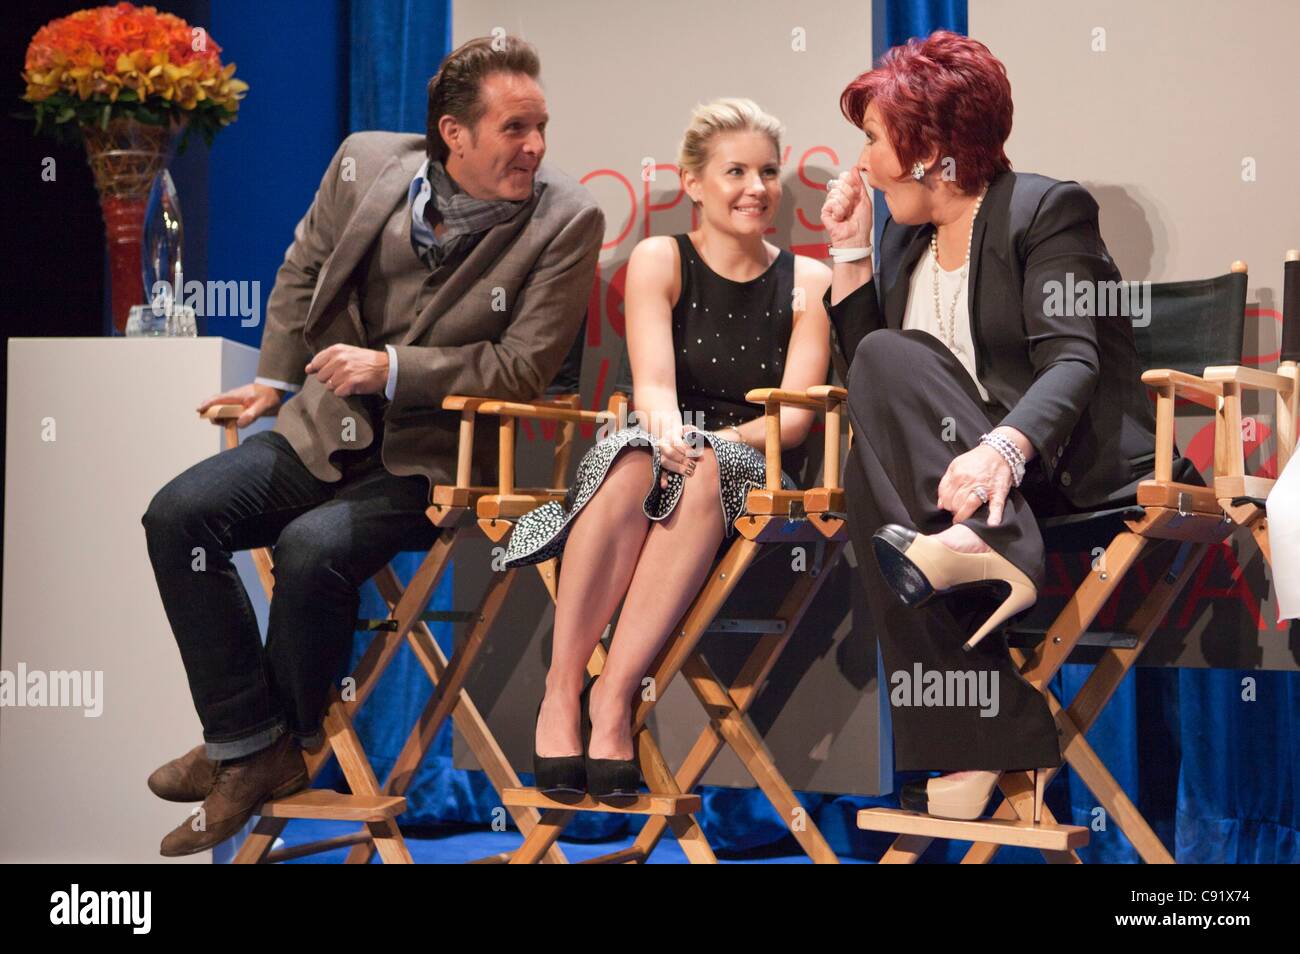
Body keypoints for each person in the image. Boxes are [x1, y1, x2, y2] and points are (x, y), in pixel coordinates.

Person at [140, 35, 604, 855]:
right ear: (453, 133)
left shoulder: (567, 218)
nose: (534, 146)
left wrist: (391, 369)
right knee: (178, 515)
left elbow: (522, 367)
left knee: (313, 547)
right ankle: (252, 742)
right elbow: (301, 267)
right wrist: (276, 381)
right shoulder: (366, 163)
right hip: (320, 431)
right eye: (514, 128)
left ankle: (249, 756)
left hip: (436, 459)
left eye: (541, 127)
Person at [820, 31, 1195, 820]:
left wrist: (1000, 450)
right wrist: (851, 254)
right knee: (873, 432)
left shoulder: (1045, 211)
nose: (862, 163)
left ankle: (982, 687)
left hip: (1054, 472)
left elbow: (1073, 361)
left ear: (926, 151)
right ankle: (990, 725)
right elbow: (873, 383)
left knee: (883, 410)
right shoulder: (901, 234)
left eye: (873, 140)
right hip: (951, 490)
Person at [501, 98, 831, 799]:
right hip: (661, 431)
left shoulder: (810, 282)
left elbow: (796, 421)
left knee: (710, 466)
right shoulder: (659, 258)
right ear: (694, 183)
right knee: (626, 462)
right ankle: (562, 689)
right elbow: (651, 384)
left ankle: (612, 698)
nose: (756, 188)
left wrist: (706, 441)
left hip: (749, 451)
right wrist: (665, 430)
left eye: (768, 172)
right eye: (735, 171)